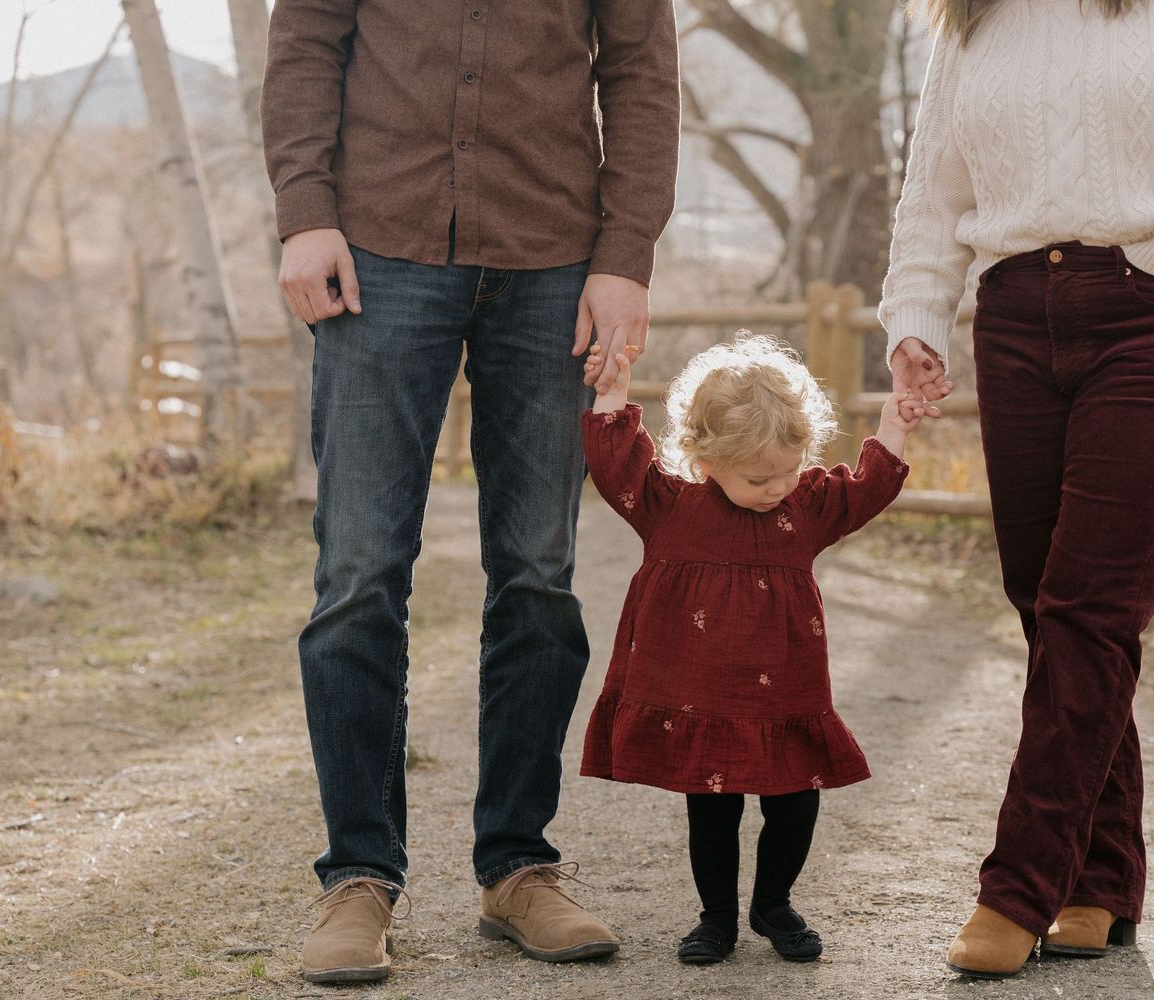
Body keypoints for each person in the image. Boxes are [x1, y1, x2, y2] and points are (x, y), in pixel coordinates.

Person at [879, 0, 1154, 980]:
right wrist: (916, 314)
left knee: (1089, 607)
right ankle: (1101, 878)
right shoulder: (970, 17)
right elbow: (933, 183)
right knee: (1044, 602)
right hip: (1016, 316)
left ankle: (1018, 886)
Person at [259, 0, 680, 984]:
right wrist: (305, 212)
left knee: (537, 571)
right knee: (359, 571)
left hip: (555, 256)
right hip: (376, 247)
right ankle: (359, 877)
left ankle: (518, 866)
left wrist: (625, 258)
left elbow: (641, 76)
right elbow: (306, 39)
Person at [578, 334, 934, 965]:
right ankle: (715, 918)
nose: (777, 487)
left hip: (786, 693)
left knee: (795, 800)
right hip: (704, 698)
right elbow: (616, 469)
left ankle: (774, 903)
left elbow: (864, 491)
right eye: (758, 477)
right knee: (712, 811)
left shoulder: (806, 509)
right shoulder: (670, 508)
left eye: (789, 470)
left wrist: (893, 429)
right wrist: (612, 394)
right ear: (706, 459)